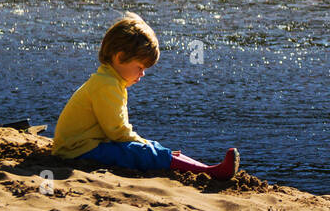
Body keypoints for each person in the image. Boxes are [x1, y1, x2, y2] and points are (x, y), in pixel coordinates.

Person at [54, 13, 239, 180]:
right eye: (140, 67)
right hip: (77, 151)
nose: (142, 74)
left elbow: (117, 132)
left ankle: (206, 168)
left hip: (82, 146)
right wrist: (146, 146)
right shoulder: (107, 85)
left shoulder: (109, 80)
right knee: (143, 152)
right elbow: (117, 132)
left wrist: (150, 146)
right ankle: (209, 173)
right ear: (119, 57)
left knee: (151, 148)